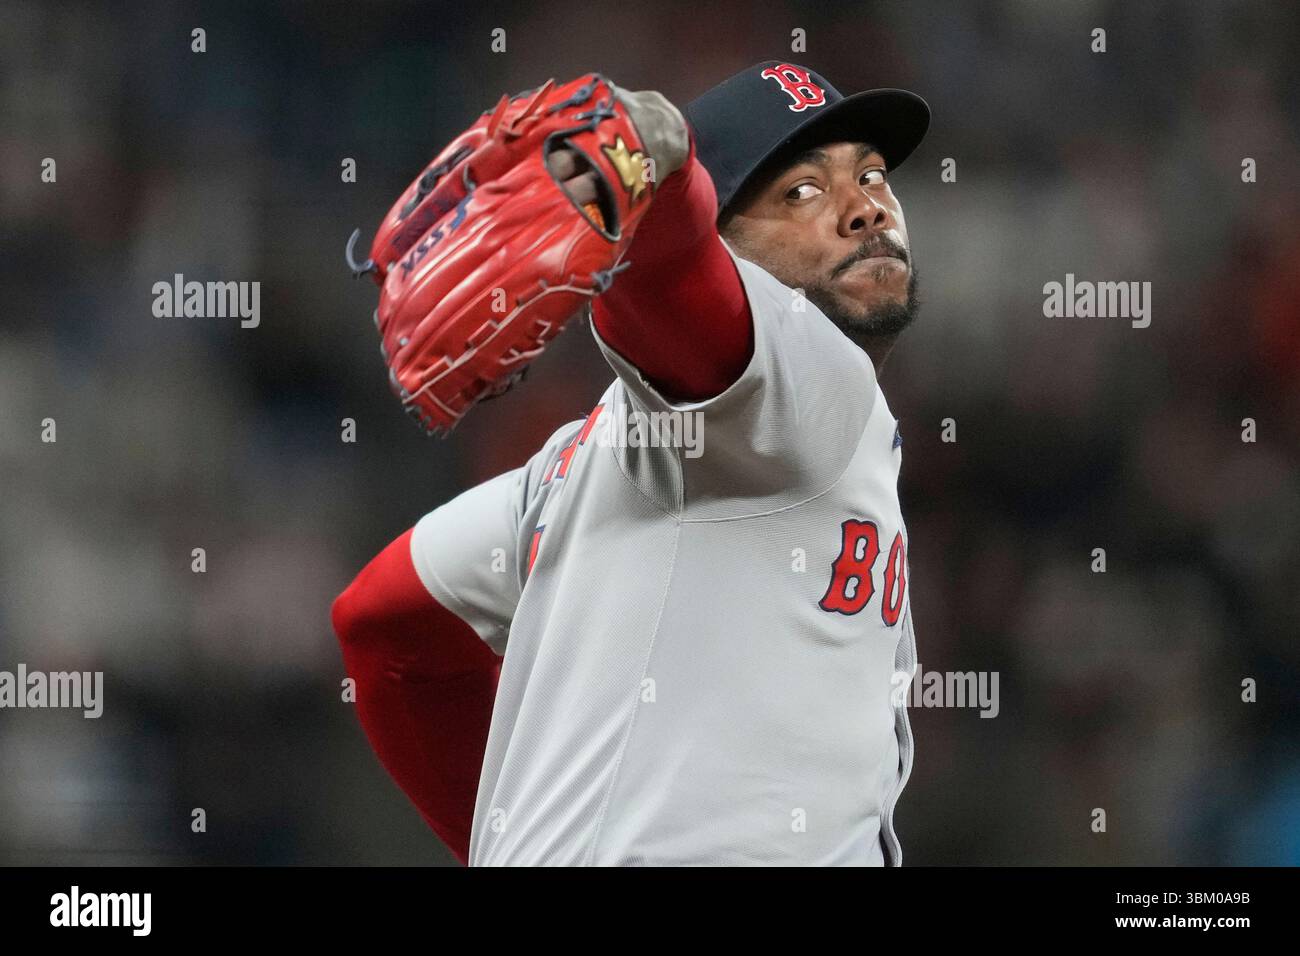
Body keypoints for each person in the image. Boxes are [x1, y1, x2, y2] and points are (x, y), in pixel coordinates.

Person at [332, 60, 930, 866]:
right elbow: (673, 280)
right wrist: (658, 161)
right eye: (800, 192)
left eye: (870, 175)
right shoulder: (805, 374)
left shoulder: (565, 477)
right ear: (728, 250)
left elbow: (384, 627)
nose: (865, 209)